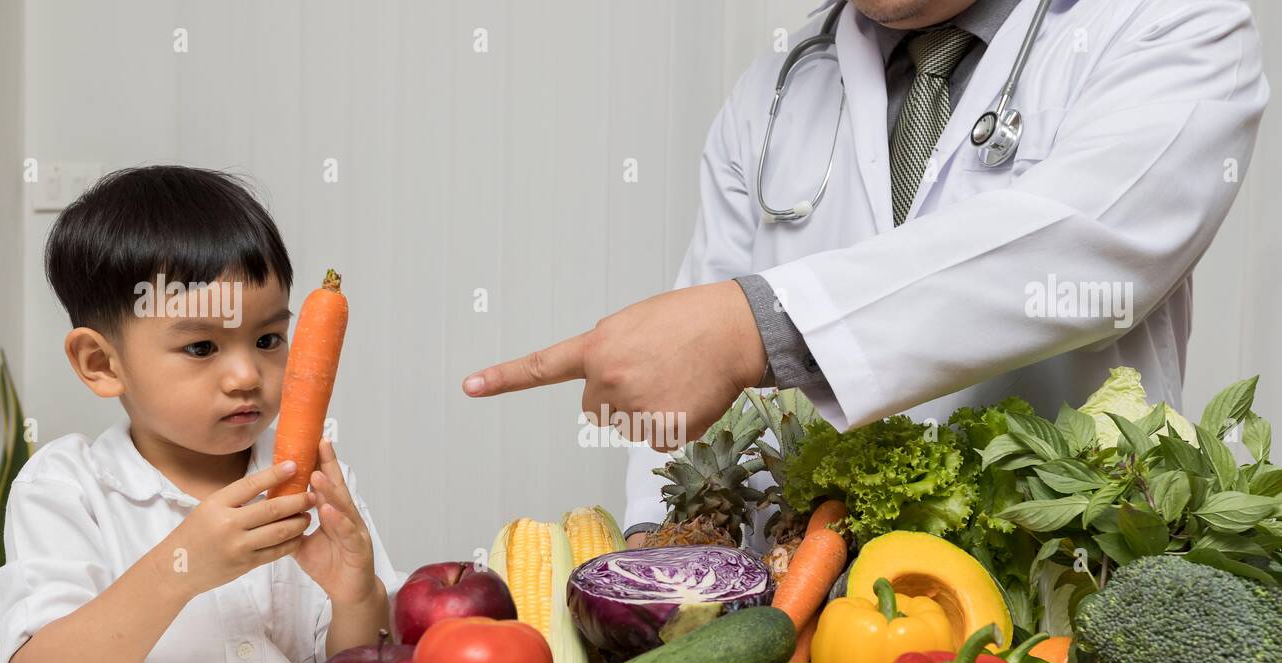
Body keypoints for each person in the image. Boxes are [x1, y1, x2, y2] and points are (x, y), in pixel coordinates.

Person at [460, 0, 1268, 544]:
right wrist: (662, 547)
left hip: (1056, 600)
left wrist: (763, 326)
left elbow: (1094, 240)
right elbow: (696, 355)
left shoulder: (1170, 24)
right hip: (816, 631)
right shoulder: (779, 85)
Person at [0, 167, 403, 663]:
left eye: (268, 339)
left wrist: (358, 598)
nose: (245, 375)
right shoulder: (63, 488)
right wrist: (178, 570)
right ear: (102, 363)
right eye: (202, 346)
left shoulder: (319, 485)